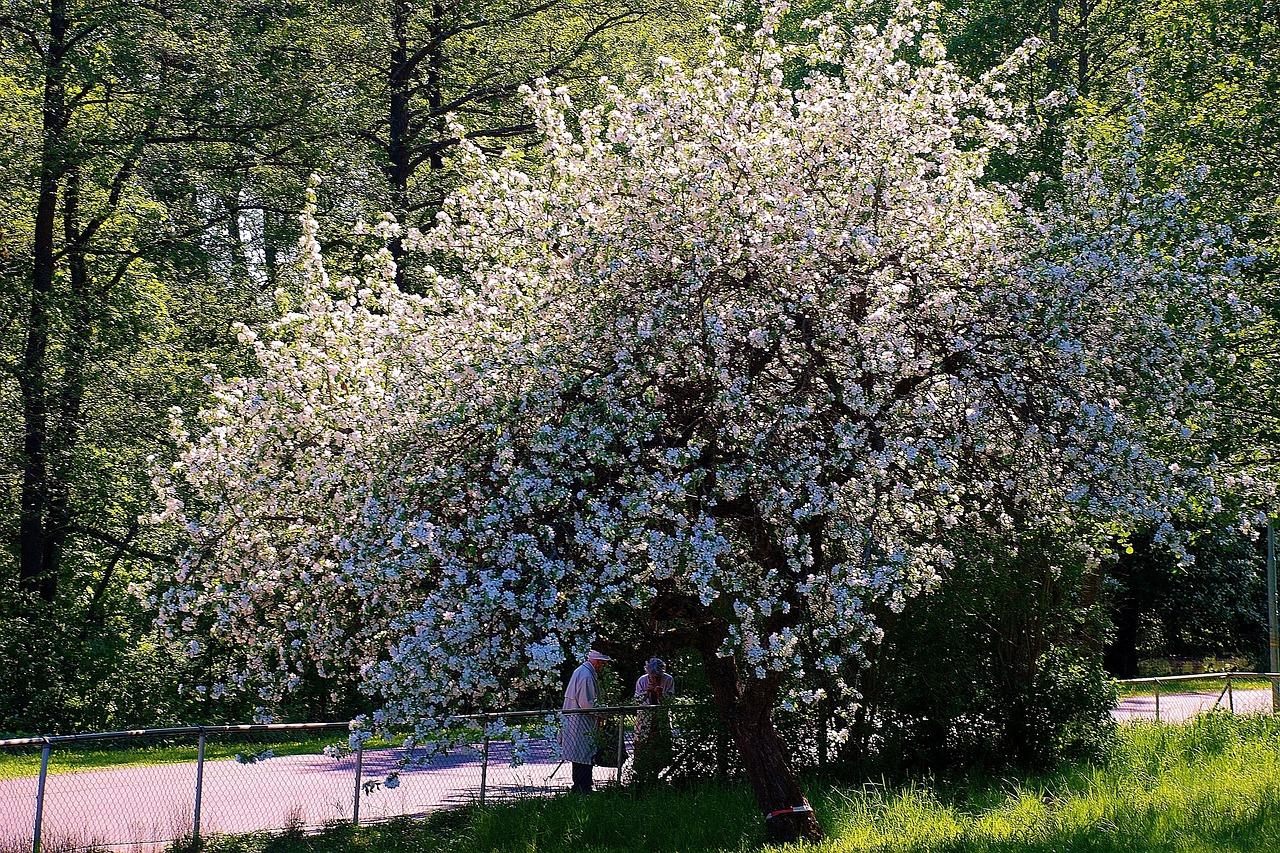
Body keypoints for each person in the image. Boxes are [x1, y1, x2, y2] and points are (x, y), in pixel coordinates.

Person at [560, 649, 611, 793]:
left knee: (581, 754)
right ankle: (583, 787)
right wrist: (604, 712)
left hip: (578, 720)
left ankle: (581, 786)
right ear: (597, 662)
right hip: (581, 721)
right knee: (583, 754)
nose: (603, 667)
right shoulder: (586, 675)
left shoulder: (582, 671)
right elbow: (586, 703)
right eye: (603, 664)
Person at [631, 657, 675, 787]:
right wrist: (647, 692)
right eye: (653, 676)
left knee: (661, 750)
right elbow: (636, 702)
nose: (655, 679)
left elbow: (671, 701)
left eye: (658, 676)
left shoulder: (668, 680)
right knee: (642, 749)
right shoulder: (642, 680)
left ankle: (657, 778)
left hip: (661, 720)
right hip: (645, 722)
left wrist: (661, 694)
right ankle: (640, 780)